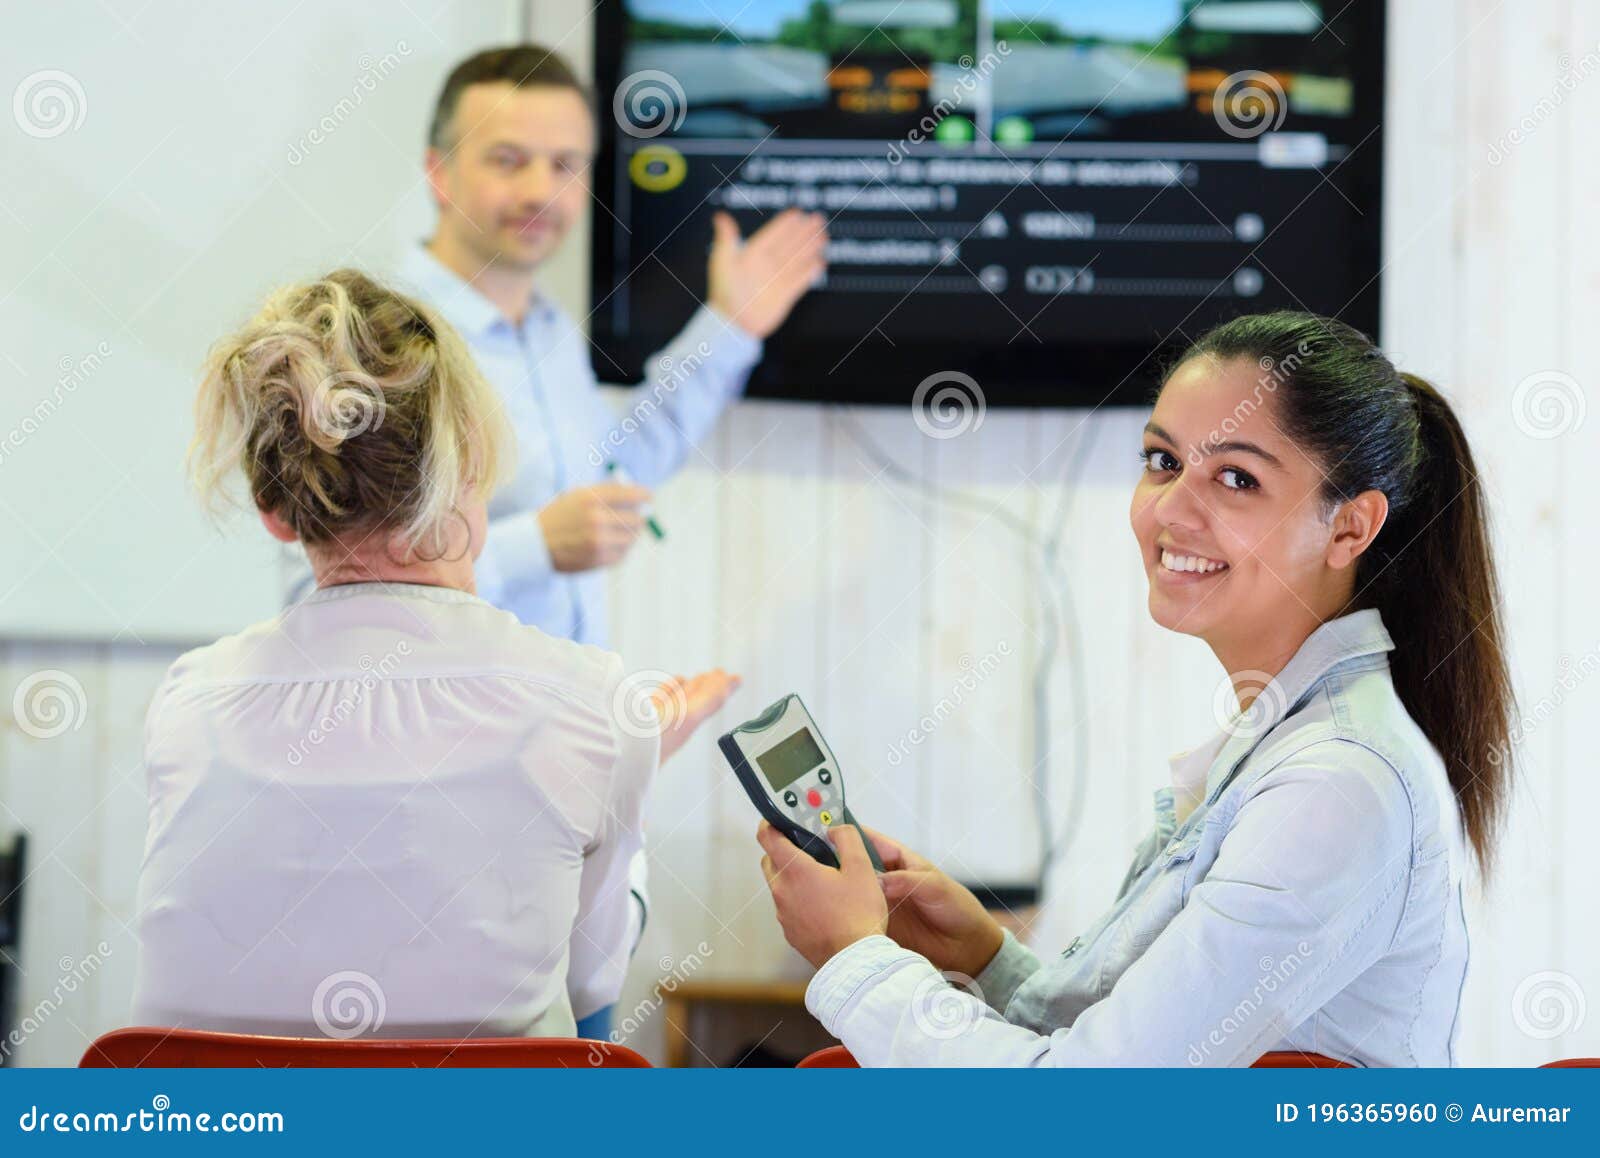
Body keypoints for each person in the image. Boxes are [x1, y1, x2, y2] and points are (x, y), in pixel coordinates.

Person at [757, 312, 1515, 1066]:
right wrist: (986, 956)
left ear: (1350, 529)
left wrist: (854, 959)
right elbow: (1137, 1049)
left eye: (1236, 477)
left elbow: (1088, 1111)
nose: (1170, 509)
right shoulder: (1286, 746)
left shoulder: (1337, 785)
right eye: (1162, 461)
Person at [133, 270, 738, 1037]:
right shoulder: (592, 704)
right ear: (473, 458)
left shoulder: (189, 703)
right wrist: (633, 765)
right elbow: (593, 990)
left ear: (274, 511)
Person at [404, 44, 828, 645]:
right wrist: (535, 548)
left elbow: (613, 469)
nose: (539, 190)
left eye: (565, 165)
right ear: (439, 172)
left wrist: (731, 324)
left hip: (562, 722)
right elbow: (330, 603)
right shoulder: (378, 345)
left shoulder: (547, 328)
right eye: (508, 160)